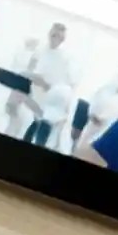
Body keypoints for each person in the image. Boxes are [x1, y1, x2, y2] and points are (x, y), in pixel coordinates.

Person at [20, 22, 74, 150]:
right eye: (54, 35)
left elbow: (63, 83)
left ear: (63, 40)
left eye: (60, 37)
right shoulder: (38, 51)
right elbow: (27, 71)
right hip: (31, 97)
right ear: (49, 34)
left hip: (49, 102)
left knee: (41, 137)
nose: (56, 39)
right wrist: (33, 78)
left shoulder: (64, 58)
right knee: (27, 129)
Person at [74, 63, 118, 151]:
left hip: (109, 134)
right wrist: (95, 117)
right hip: (94, 128)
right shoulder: (106, 90)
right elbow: (92, 107)